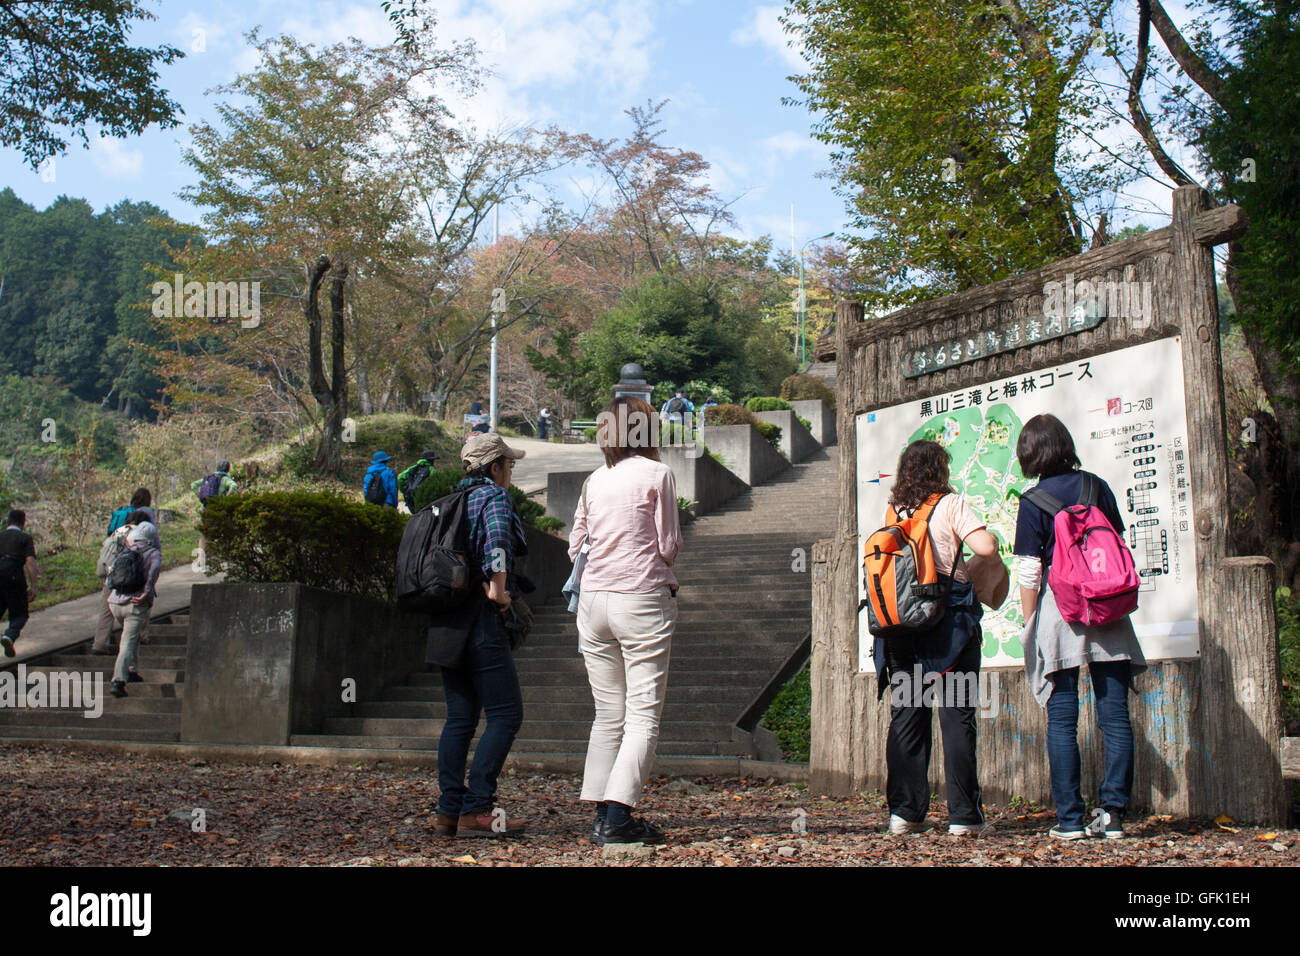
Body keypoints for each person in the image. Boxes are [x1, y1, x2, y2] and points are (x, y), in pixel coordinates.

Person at [1013, 413, 1145, 841]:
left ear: (1030, 453)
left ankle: (1069, 820)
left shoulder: (1033, 502)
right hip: (1108, 609)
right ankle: (1113, 816)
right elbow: (1116, 546)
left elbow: (1030, 572)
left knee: (1062, 719)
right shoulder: (1097, 486)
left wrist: (1030, 623)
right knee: (1115, 716)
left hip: (1061, 614)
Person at [569, 395, 682, 845]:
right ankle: (617, 817)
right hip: (641, 597)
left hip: (593, 602)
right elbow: (669, 543)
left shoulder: (595, 479)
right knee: (642, 715)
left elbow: (576, 543)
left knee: (607, 714)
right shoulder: (658, 474)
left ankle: (601, 812)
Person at [875, 440, 1000, 836]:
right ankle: (964, 817)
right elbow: (987, 546)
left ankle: (905, 814)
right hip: (949, 628)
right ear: (940, 469)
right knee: (956, 718)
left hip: (901, 628)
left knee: (908, 718)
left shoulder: (895, 511)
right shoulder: (951, 504)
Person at [430, 433, 529, 838]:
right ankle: (477, 808)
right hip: (481, 619)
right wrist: (498, 589)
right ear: (494, 467)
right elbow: (498, 544)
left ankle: (448, 811)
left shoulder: (447, 503)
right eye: (509, 464)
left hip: (445, 622)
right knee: (506, 714)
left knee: (460, 719)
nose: (511, 472)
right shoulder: (493, 498)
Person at [106, 521, 163, 698]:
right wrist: (146, 593)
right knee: (127, 642)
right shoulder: (153, 553)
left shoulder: (125, 551)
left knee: (133, 636)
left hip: (115, 602)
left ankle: (132, 670)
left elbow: (110, 577)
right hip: (136, 604)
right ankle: (118, 680)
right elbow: (152, 575)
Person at [91, 508, 152, 655]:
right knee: (137, 608)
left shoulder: (117, 531)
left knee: (106, 612)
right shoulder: (140, 533)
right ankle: (141, 637)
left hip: (111, 577)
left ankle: (99, 643)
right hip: (129, 578)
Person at [0, 509, 39, 658]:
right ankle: (9, 636)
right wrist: (33, 586)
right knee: (20, 614)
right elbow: (30, 562)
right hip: (14, 576)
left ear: (8, 522)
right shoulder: (25, 538)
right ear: (23, 523)